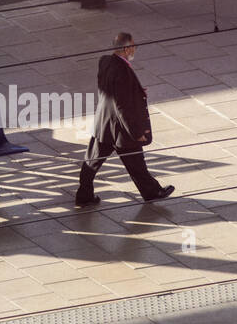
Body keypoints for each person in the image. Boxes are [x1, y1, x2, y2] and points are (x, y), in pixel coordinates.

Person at [75, 32, 174, 206]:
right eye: (133, 45)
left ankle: (84, 196)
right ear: (126, 48)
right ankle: (152, 192)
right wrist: (137, 132)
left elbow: (110, 91)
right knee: (136, 162)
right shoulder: (122, 71)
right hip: (121, 128)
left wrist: (135, 91)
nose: (135, 48)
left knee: (92, 160)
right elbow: (123, 106)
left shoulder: (105, 61)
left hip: (104, 123)